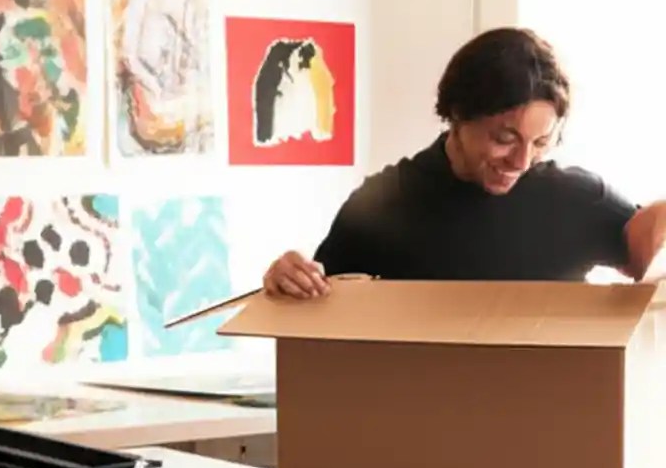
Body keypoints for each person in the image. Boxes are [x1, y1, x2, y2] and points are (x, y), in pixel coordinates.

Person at [263, 27, 666, 299]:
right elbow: (316, 302)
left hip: (543, 418)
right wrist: (287, 278)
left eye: (541, 142)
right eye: (504, 138)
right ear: (458, 115)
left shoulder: (574, 197)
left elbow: (641, 255)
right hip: (420, 418)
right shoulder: (384, 204)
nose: (522, 161)